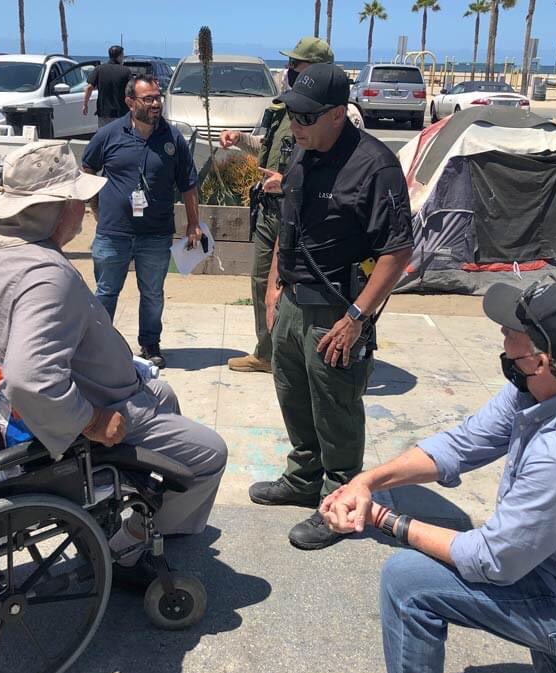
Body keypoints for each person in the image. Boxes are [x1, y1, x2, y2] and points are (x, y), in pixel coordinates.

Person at [321, 281, 556, 673]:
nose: (502, 336)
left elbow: (491, 558)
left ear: (540, 361)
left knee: (407, 581)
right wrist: (366, 483)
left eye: (511, 333)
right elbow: (462, 444)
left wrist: (382, 519)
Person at [0, 140, 227, 587]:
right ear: (55, 209)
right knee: (211, 454)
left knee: (164, 392)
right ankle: (129, 545)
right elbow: (30, 379)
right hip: (90, 409)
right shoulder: (44, 275)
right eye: (76, 200)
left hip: (63, 394)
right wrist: (94, 421)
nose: (83, 208)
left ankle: (149, 505)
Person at [247, 63, 414, 551]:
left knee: (335, 409)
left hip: (338, 310)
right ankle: (303, 478)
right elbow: (289, 221)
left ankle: (338, 499)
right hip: (293, 302)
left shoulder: (375, 166)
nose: (296, 124)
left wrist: (357, 318)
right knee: (293, 396)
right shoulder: (303, 151)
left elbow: (397, 251)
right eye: (292, 114)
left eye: (306, 116)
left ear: (338, 114)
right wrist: (274, 286)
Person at [220, 37, 336, 374]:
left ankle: (299, 353)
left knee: (302, 287)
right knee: (261, 282)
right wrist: (240, 139)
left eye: (296, 65)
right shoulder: (284, 109)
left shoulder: (333, 114)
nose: (289, 70)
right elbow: (270, 150)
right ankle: (266, 352)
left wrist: (287, 184)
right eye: (289, 64)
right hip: (270, 212)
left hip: (304, 214)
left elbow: (336, 171)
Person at [82, 74, 201, 369]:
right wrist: (95, 208)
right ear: (130, 102)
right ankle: (98, 348)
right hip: (113, 232)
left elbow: (188, 184)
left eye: (158, 97)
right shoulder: (109, 134)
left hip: (156, 233)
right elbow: (87, 170)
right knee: (106, 291)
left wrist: (193, 224)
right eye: (148, 99)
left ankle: (150, 344)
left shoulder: (172, 138)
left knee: (152, 293)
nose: (155, 104)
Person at [83, 45, 132, 128]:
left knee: (104, 134)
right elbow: (132, 90)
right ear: (119, 56)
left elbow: (89, 88)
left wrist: (85, 104)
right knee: (120, 134)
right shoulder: (126, 71)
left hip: (104, 113)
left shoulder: (99, 69)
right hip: (121, 113)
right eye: (123, 55)